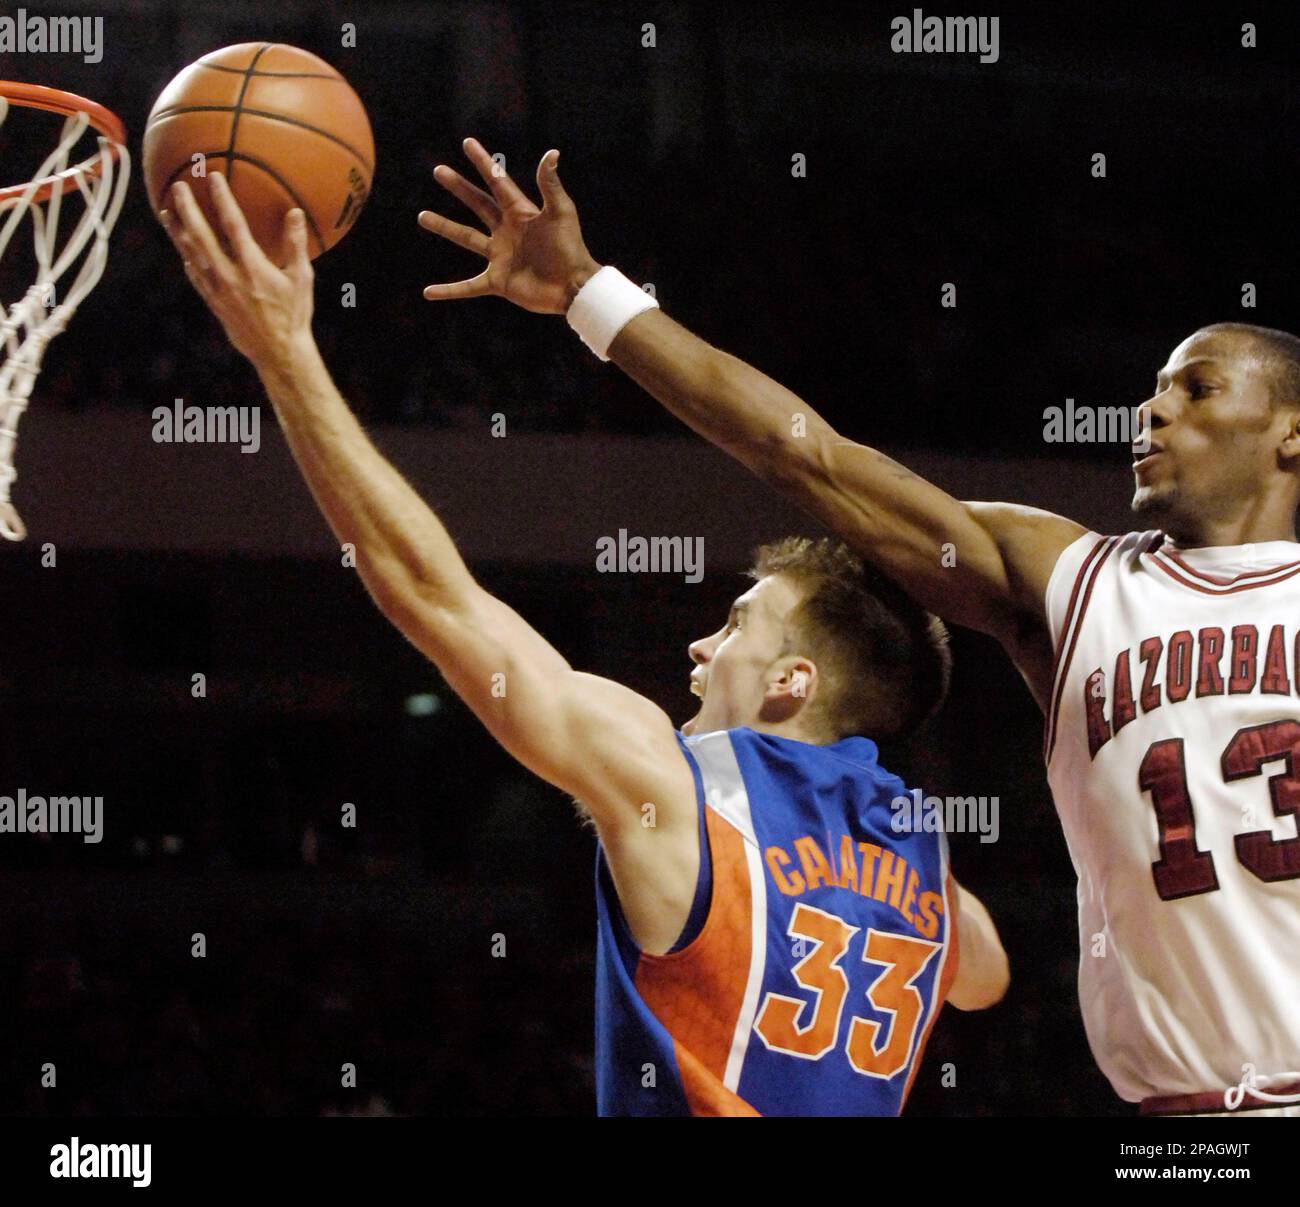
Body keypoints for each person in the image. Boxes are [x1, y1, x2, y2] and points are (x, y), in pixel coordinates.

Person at [416, 138, 1300, 1117]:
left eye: (1197, 387)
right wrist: (590, 293)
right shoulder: (1071, 582)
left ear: (1289, 433)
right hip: (1171, 1119)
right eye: (1158, 384)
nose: (1152, 405)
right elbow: (808, 458)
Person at [158, 170, 1009, 1117]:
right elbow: (986, 977)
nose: (699, 645)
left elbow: (436, 600)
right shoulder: (926, 865)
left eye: (733, 624)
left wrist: (284, 356)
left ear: (790, 681)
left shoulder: (677, 789)